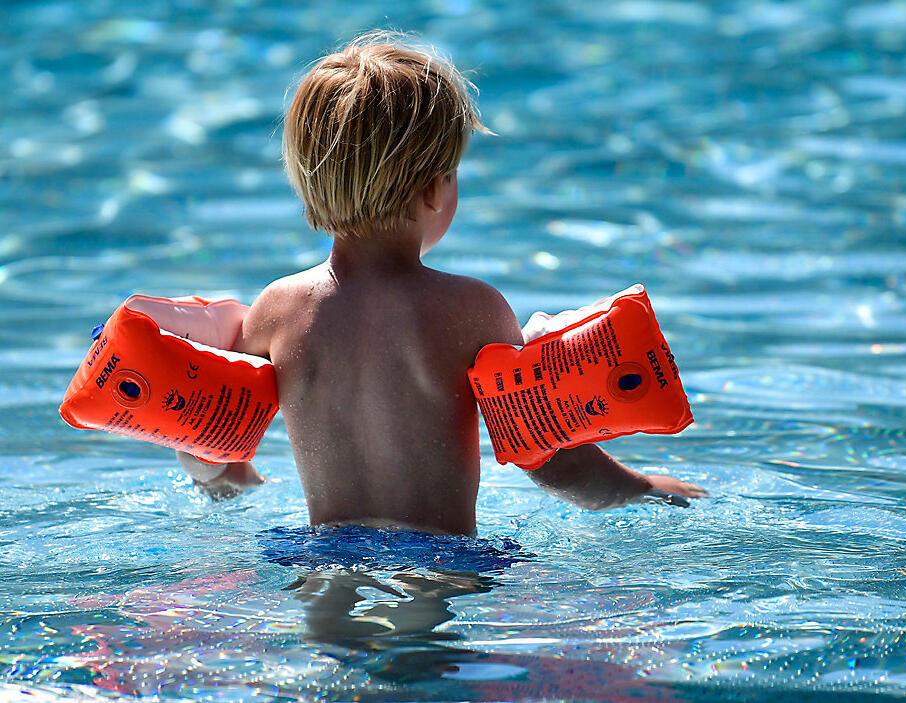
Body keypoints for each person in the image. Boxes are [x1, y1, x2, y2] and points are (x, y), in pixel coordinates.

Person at [176, 31, 705, 534]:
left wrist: (223, 477)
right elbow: (545, 456)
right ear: (435, 188)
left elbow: (219, 444)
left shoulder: (276, 309)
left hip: (323, 551)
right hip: (442, 554)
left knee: (328, 628)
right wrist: (640, 487)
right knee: (426, 627)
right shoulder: (472, 309)